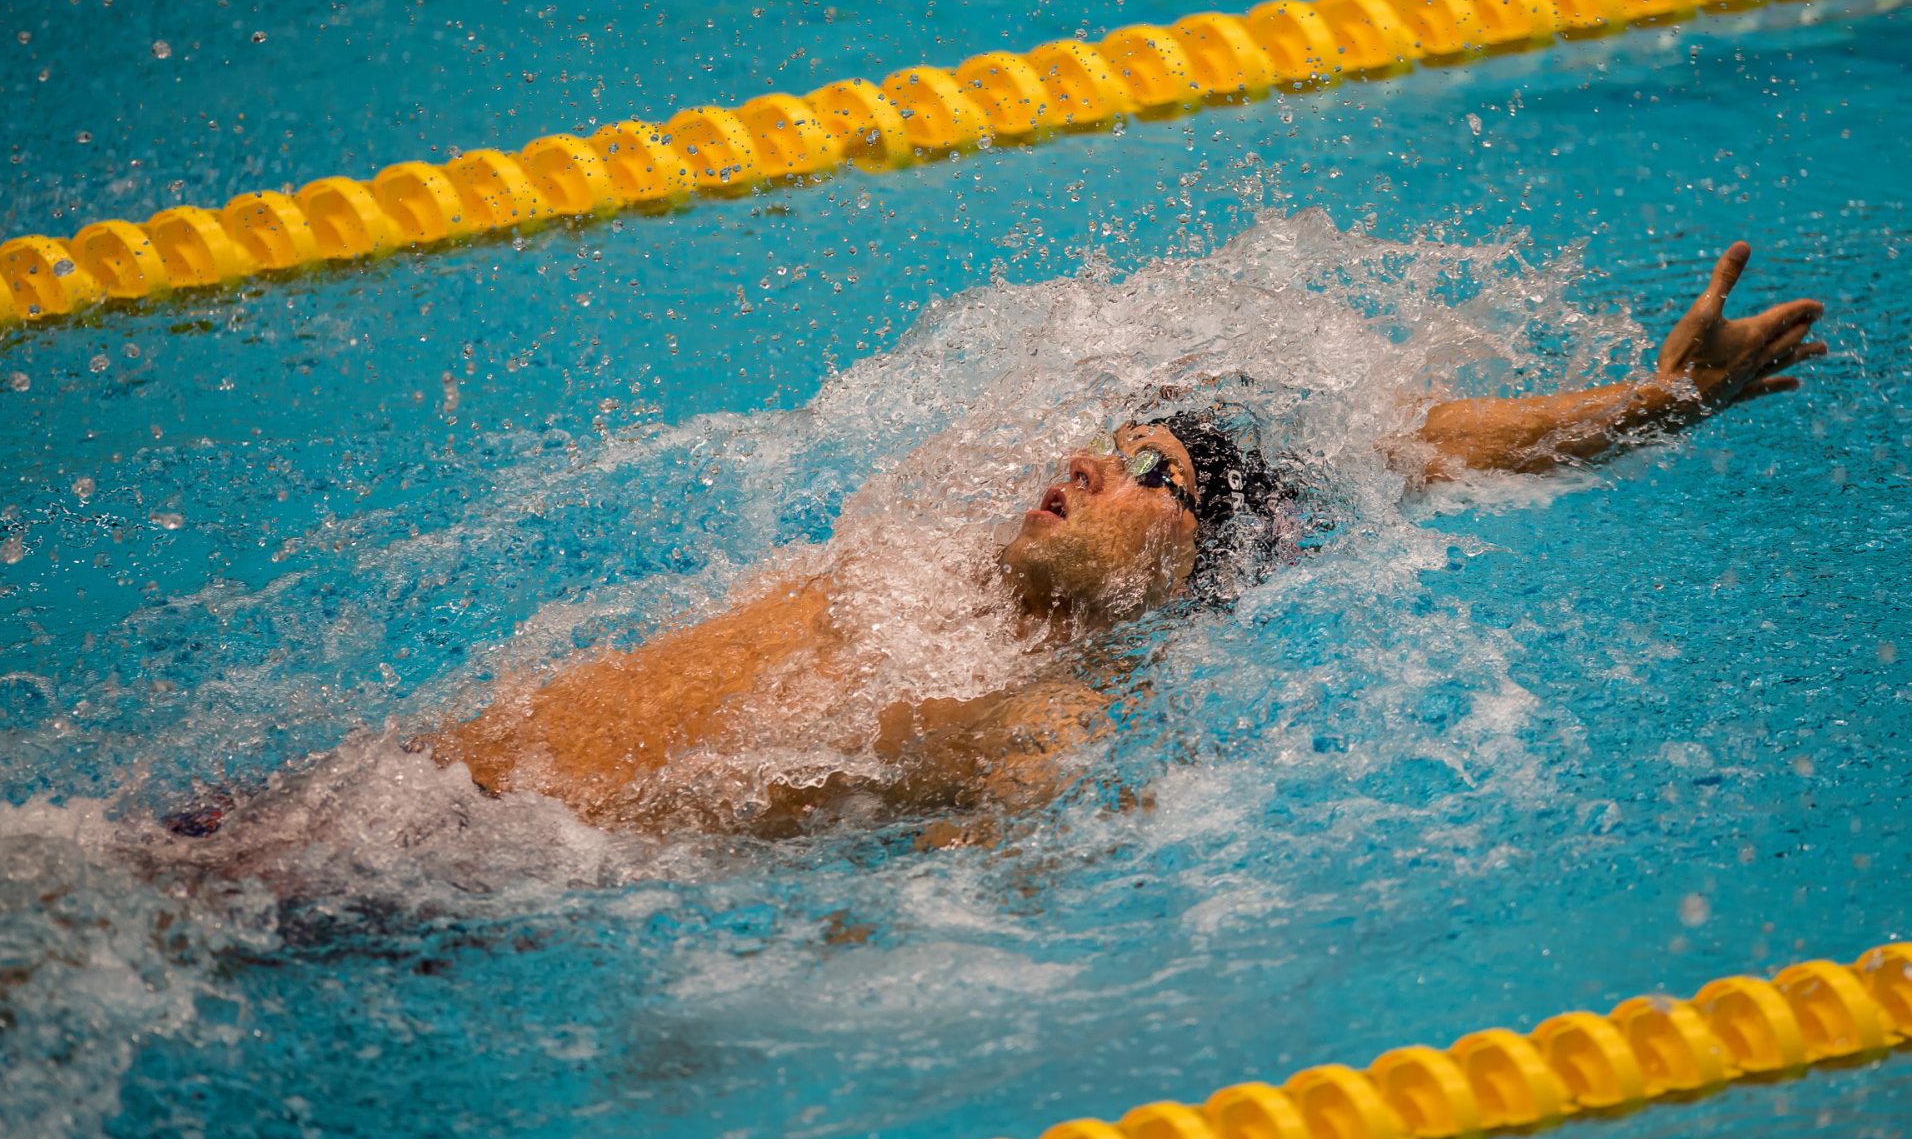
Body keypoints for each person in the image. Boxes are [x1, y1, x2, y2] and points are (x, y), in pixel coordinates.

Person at [422, 241, 1825, 840]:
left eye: (1145, 471)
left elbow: (1397, 467)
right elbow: (1391, 448)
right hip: (379, 787)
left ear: (1186, 569)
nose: (1084, 462)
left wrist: (1655, 410)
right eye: (1103, 444)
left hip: (437, 905)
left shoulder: (1043, 734)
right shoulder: (902, 550)